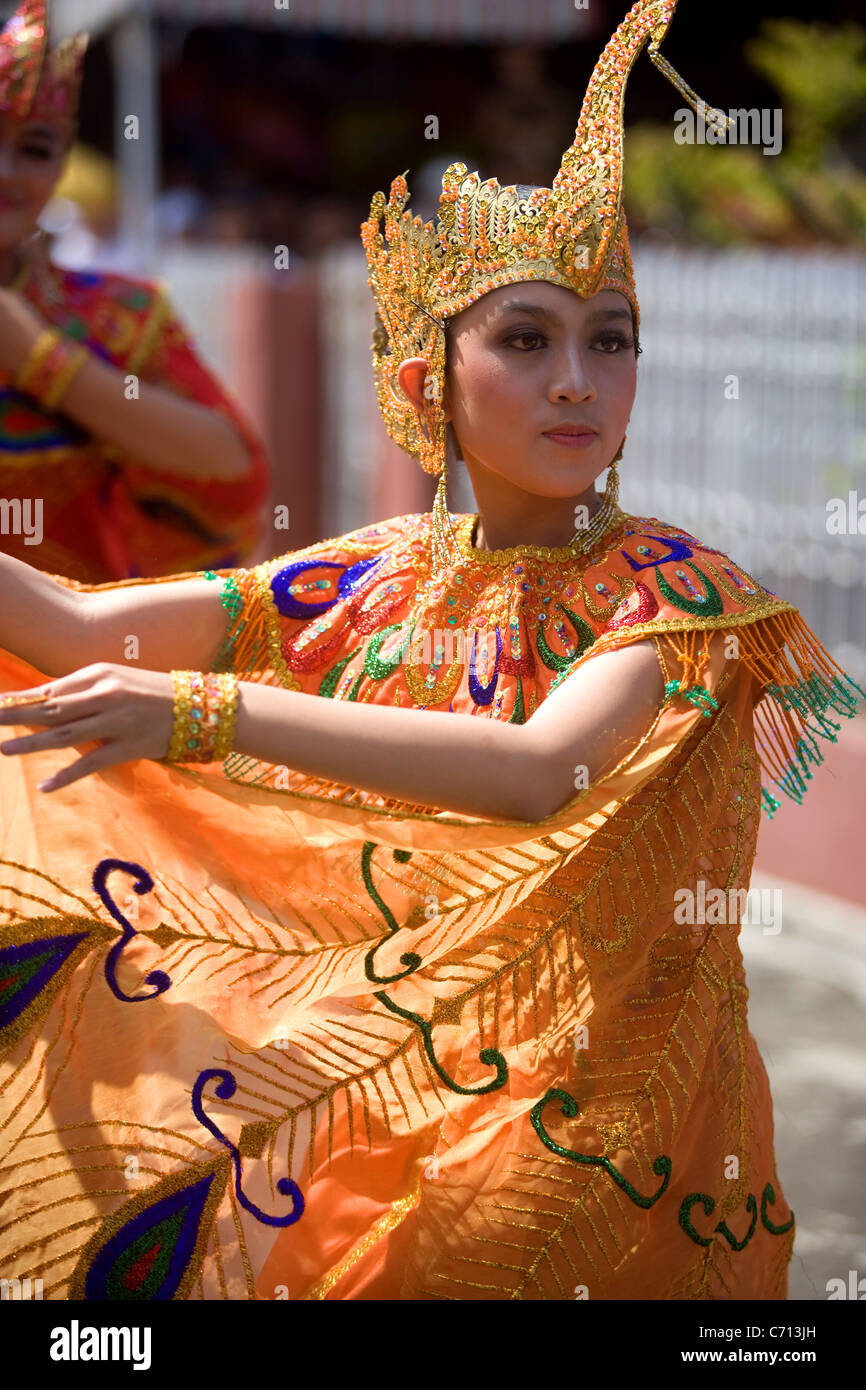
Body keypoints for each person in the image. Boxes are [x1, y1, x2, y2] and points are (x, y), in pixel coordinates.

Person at [0, 0, 862, 1302]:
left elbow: (537, 768)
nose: (577, 379)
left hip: (596, 1135)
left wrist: (204, 713)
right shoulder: (372, 577)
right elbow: (69, 626)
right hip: (393, 1093)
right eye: (525, 339)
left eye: (607, 338)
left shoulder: (681, 593)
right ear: (425, 380)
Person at [0, 0, 269, 582]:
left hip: (68, 663)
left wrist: (39, 359)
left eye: (35, 148)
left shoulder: (116, 315)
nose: (6, 171)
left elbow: (234, 476)